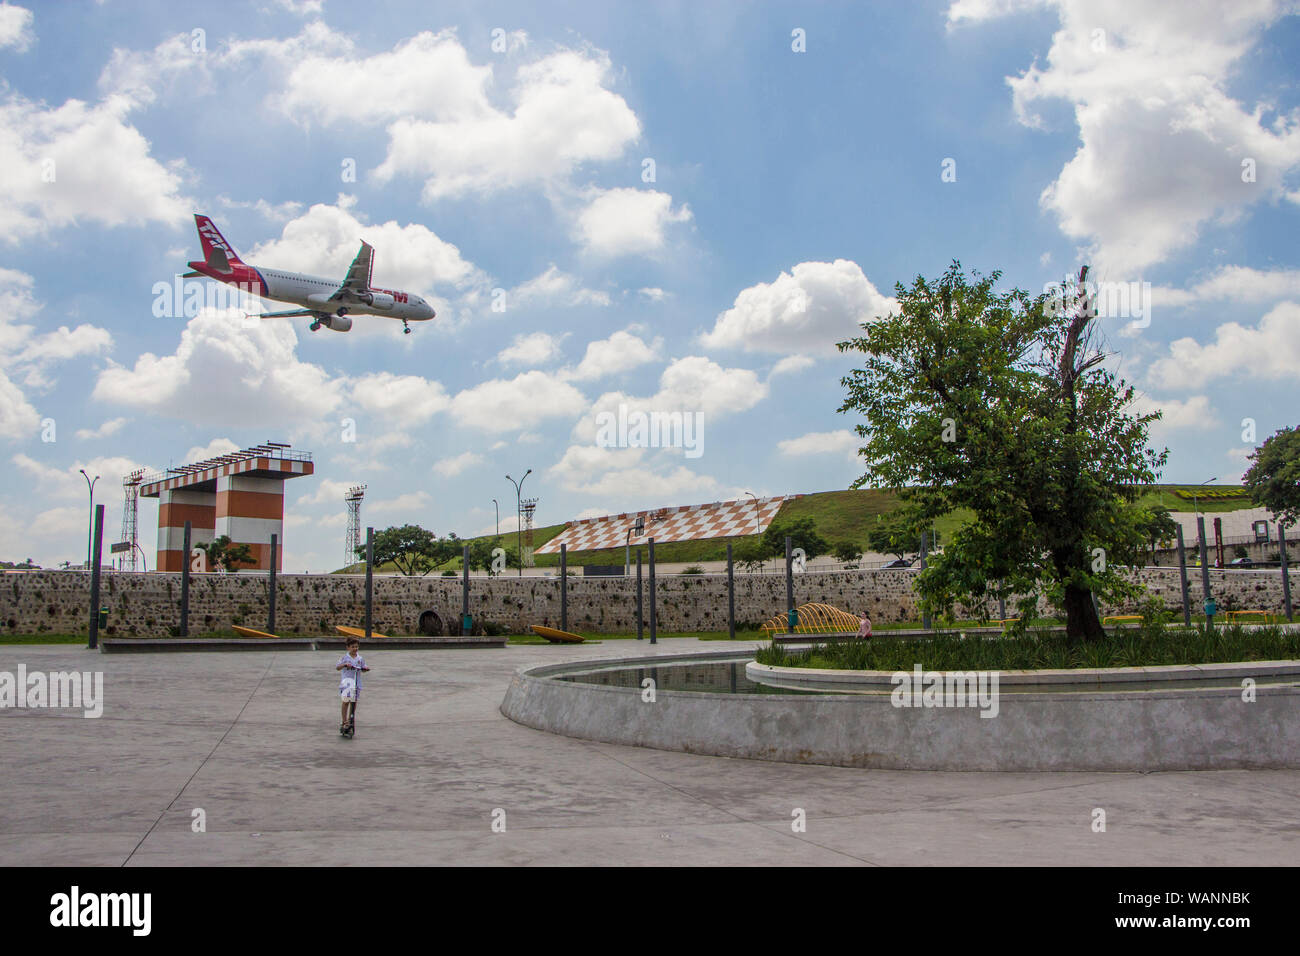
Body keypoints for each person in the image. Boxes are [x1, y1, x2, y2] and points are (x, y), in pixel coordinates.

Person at [336, 637, 370, 736]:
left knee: (354, 702)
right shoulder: (345, 658)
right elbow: (337, 667)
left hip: (356, 682)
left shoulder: (360, 658)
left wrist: (365, 668)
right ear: (348, 648)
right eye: (353, 647)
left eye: (356, 647)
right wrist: (345, 665)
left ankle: (351, 719)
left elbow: (363, 668)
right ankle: (344, 721)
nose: (355, 649)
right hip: (347, 682)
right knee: (346, 701)